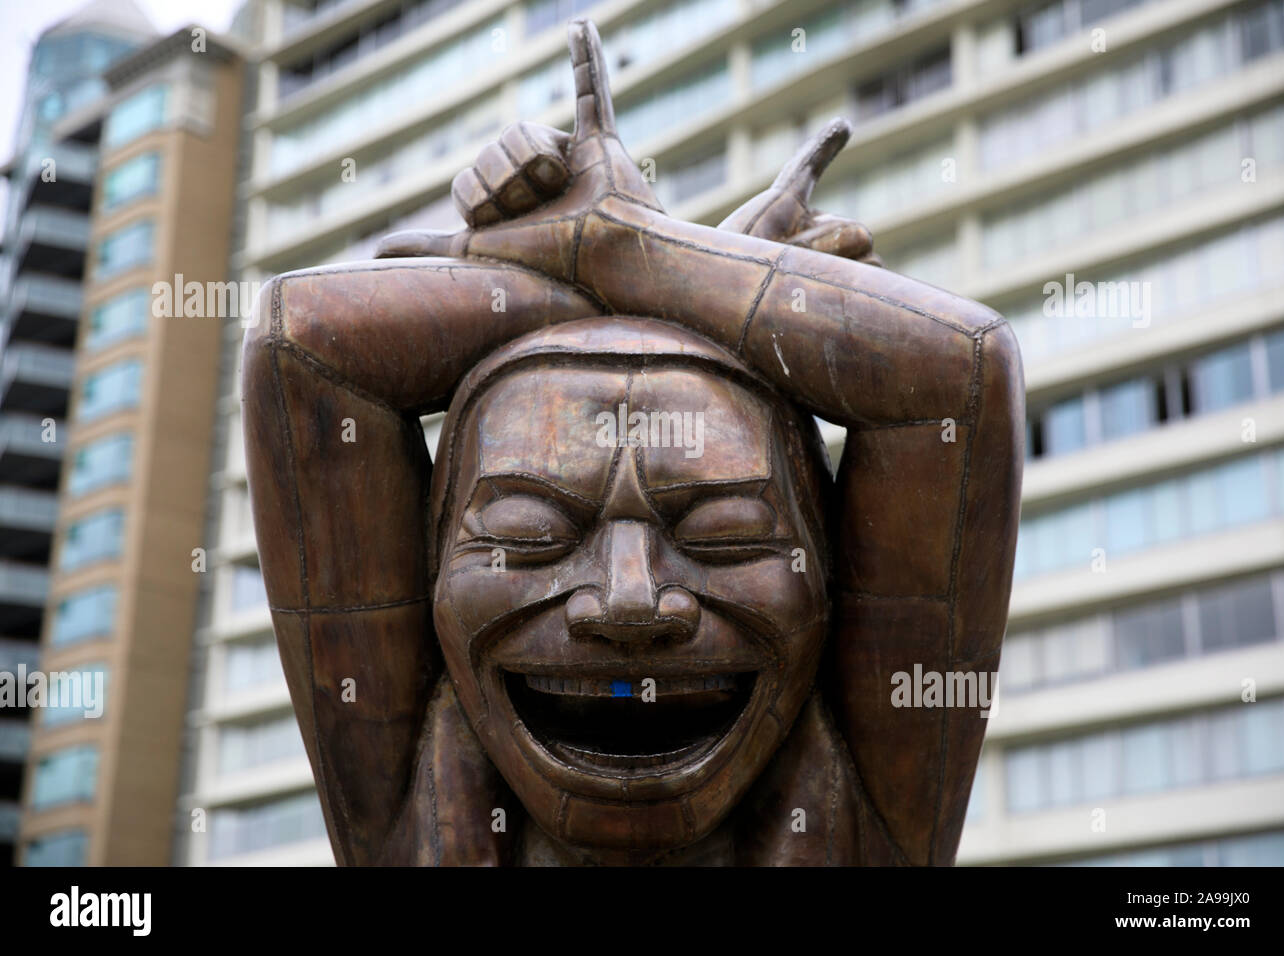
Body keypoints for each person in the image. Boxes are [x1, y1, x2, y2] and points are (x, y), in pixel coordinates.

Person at [242, 19, 1023, 866]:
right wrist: (680, 273)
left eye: (726, 538)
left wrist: (619, 248)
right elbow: (299, 346)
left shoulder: (872, 807)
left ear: (831, 575)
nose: (627, 604)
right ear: (426, 569)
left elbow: (961, 376)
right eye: (527, 534)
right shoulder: (405, 810)